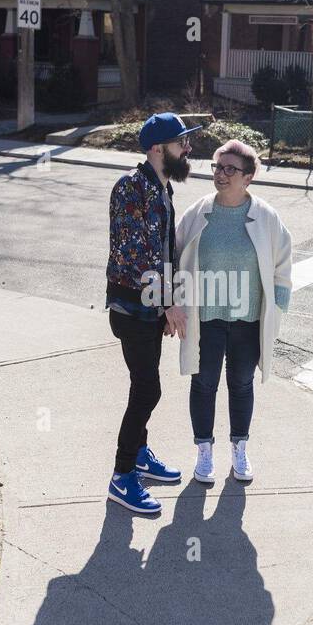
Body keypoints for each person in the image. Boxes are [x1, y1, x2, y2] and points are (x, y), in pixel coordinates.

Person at [174, 139, 292, 484]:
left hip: (247, 318)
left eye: (230, 169)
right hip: (205, 317)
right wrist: (177, 304)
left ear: (249, 177)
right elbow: (177, 257)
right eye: (217, 167)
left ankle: (240, 448)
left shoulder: (266, 217)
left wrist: (277, 310)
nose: (222, 175)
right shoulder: (197, 214)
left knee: (241, 384)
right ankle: (204, 451)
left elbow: (282, 264)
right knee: (203, 383)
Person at [104, 112, 203, 514]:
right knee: (148, 390)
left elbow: (167, 252)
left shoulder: (160, 188)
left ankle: (140, 454)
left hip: (148, 309)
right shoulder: (131, 187)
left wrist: (167, 302)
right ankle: (122, 475)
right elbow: (136, 256)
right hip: (130, 308)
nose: (188, 149)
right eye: (181, 142)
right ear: (158, 149)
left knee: (144, 385)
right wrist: (168, 302)